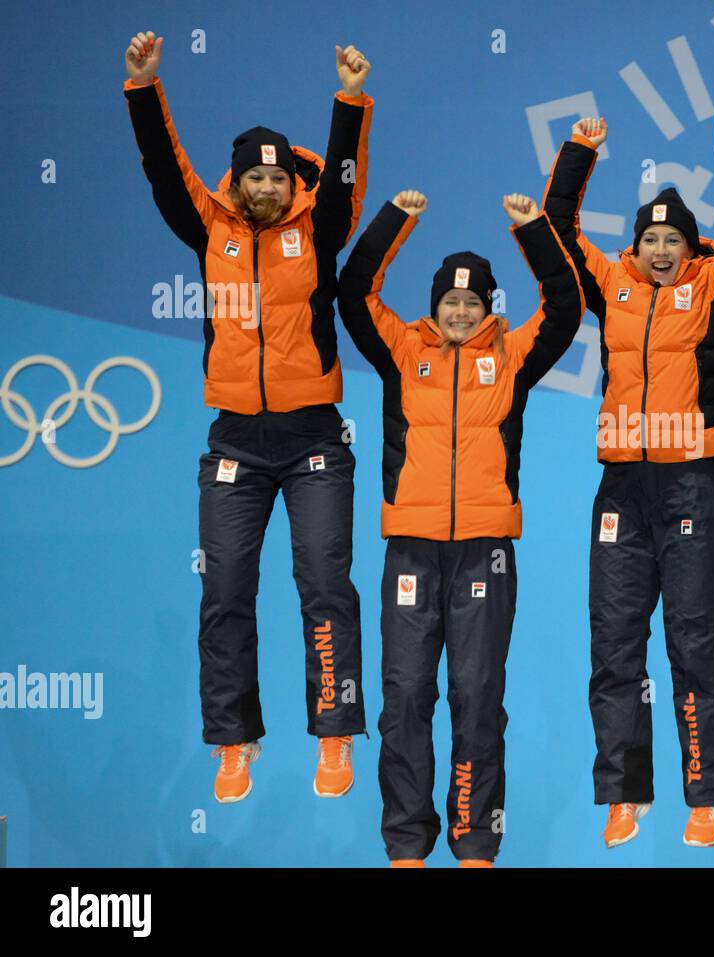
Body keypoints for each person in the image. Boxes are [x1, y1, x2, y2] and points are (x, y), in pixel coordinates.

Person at [124, 31, 374, 803]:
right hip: (233, 439)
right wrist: (144, 85)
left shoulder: (316, 230)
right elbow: (166, 172)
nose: (266, 185)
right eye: (253, 175)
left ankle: (335, 733)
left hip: (311, 440)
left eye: (276, 175)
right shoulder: (211, 229)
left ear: (288, 180)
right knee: (226, 588)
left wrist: (350, 99)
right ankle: (233, 742)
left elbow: (341, 179)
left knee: (324, 583)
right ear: (236, 182)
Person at [542, 113, 714, 849]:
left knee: (692, 643)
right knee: (613, 645)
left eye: (675, 239)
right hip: (621, 489)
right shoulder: (610, 287)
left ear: (689, 247)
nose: (663, 250)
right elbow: (555, 226)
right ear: (635, 246)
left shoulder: (713, 289)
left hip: (691, 488)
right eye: (651, 239)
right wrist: (580, 152)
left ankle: (705, 794)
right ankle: (623, 792)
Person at [336, 191, 583, 867]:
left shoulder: (510, 356)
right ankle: (406, 846)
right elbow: (354, 287)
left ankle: (474, 842)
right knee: (406, 697)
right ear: (435, 302)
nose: (461, 310)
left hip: (485, 552)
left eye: (474, 302)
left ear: (489, 308)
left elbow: (566, 304)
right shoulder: (399, 348)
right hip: (411, 548)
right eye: (451, 299)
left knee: (476, 699)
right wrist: (397, 220)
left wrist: (532, 228)